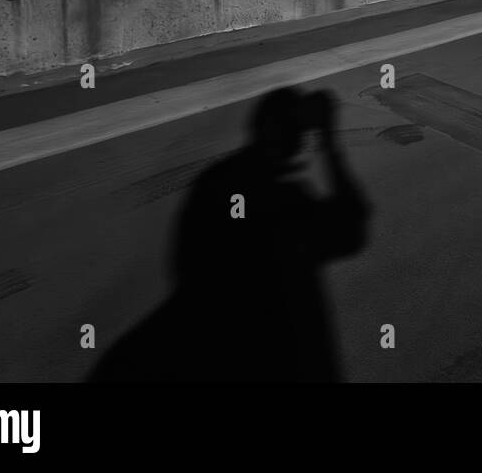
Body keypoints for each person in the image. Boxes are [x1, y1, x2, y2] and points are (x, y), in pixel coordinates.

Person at [89, 87, 371, 383]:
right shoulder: (285, 198)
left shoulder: (217, 182)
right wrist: (329, 142)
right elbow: (351, 232)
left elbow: (183, 263)